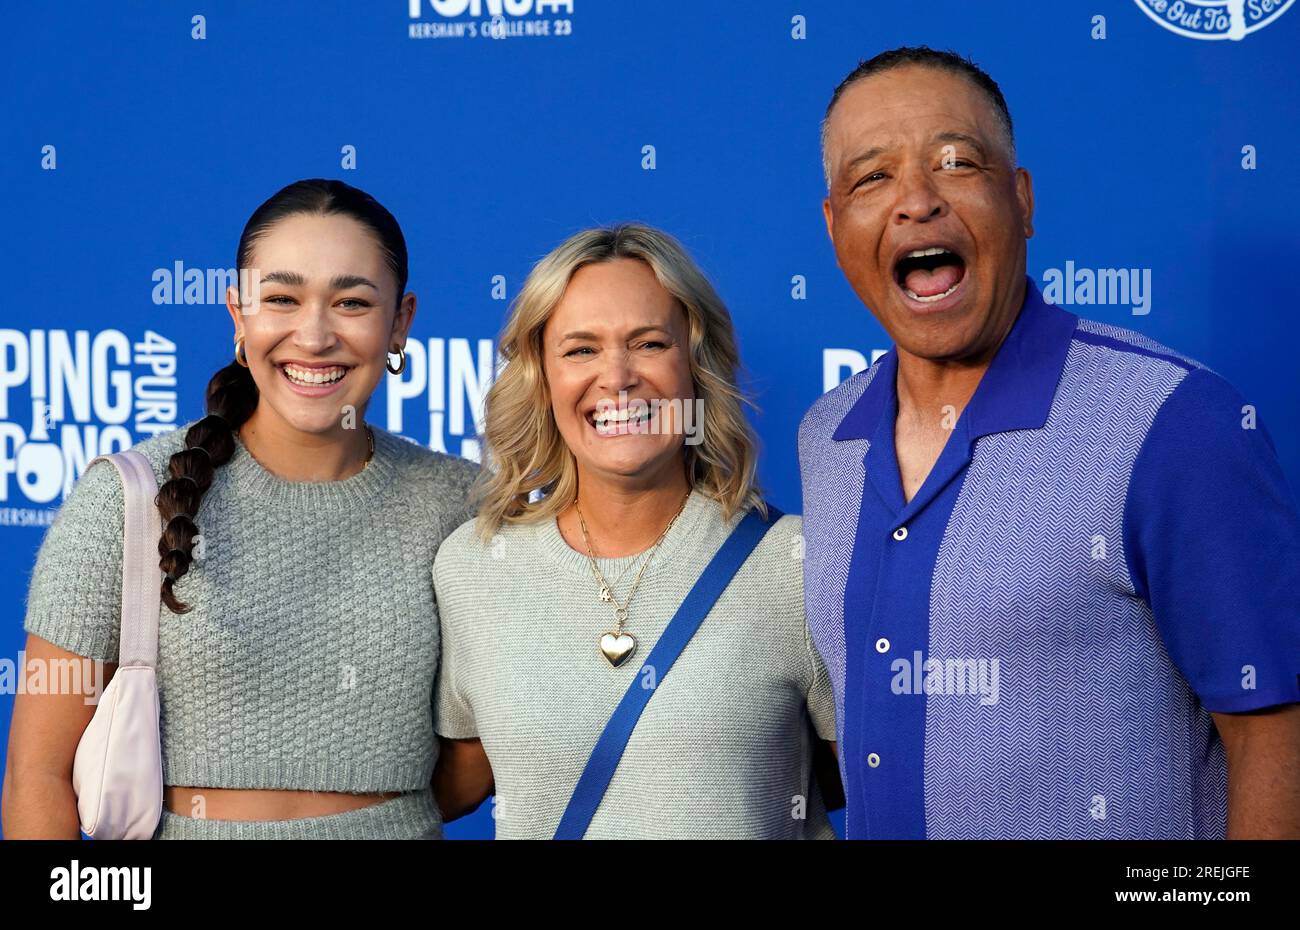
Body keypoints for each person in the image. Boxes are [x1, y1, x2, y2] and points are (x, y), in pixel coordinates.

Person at [800, 46, 1300, 838]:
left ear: (1021, 200)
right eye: (873, 177)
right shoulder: (824, 437)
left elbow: (1278, 738)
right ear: (835, 228)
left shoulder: (1175, 421)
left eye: (957, 162)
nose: (916, 201)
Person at [2, 179, 478, 839]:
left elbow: (473, 766)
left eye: (352, 302)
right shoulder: (128, 496)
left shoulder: (462, 505)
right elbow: (37, 777)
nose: (314, 335)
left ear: (400, 321)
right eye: (281, 299)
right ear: (238, 314)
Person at [432, 223, 838, 838]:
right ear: (541, 378)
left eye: (649, 344)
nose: (617, 377)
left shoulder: (798, 562)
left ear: (696, 367)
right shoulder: (474, 567)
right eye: (580, 350)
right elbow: (443, 786)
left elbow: (884, 783)